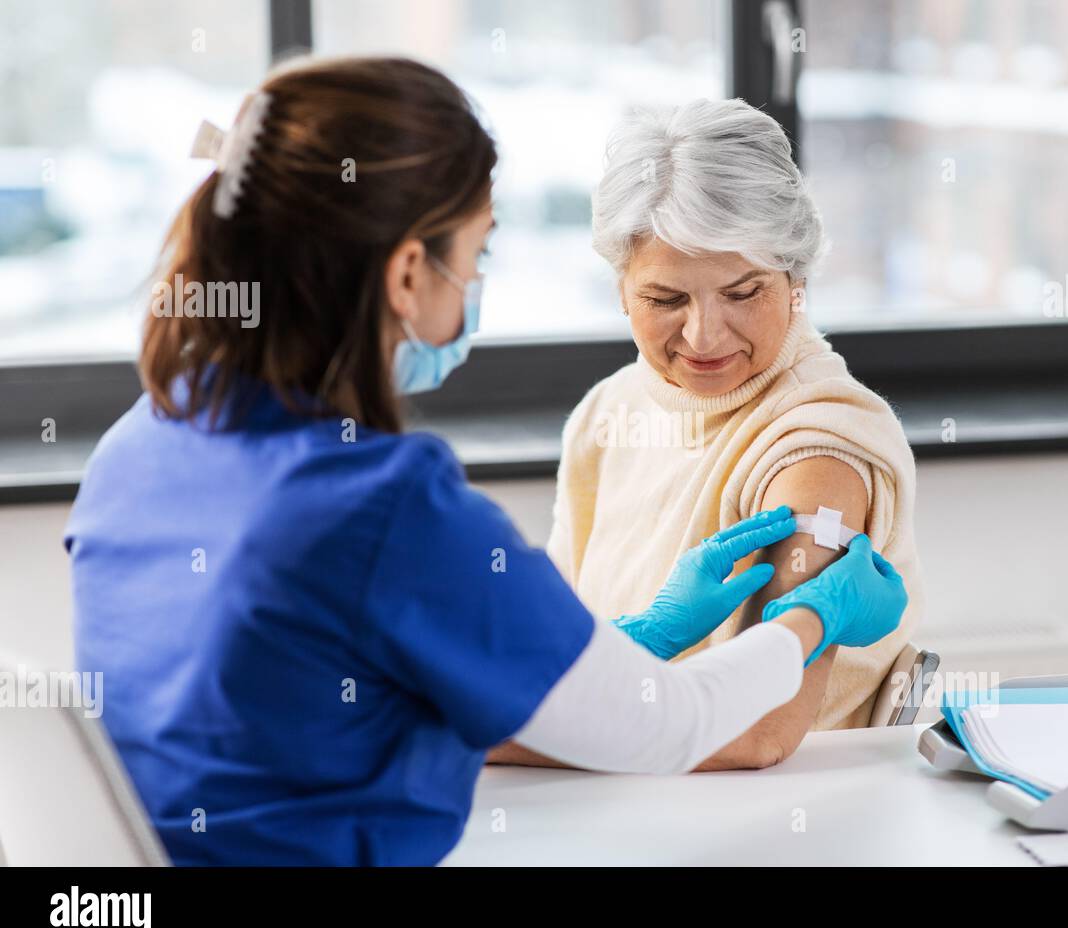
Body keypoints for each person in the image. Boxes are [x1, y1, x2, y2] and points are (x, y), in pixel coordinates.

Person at [63, 57, 908, 866]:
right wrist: (813, 617)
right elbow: (675, 723)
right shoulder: (383, 507)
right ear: (406, 276)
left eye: (742, 291)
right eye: (477, 252)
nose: (477, 282)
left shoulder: (134, 450)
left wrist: (636, 640)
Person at [508, 99, 925, 772]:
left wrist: (498, 732)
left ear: (797, 281)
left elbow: (761, 733)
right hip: (618, 792)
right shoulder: (606, 412)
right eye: (665, 299)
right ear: (620, 288)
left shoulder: (815, 445)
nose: (703, 336)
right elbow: (554, 663)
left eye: (742, 292)